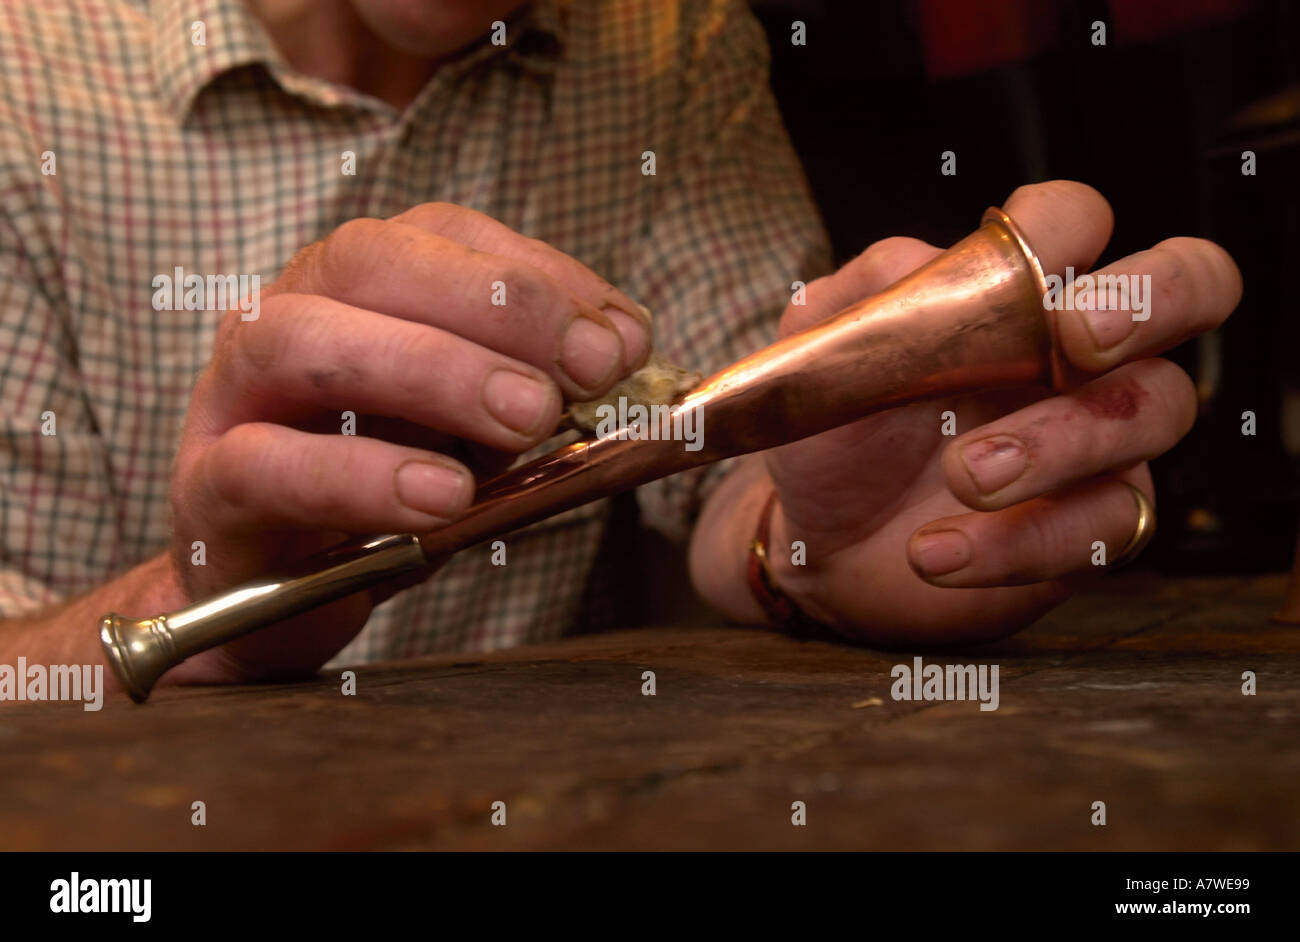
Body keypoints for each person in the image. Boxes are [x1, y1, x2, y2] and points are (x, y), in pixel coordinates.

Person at [0, 0, 1241, 692]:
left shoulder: (674, 43)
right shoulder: (22, 71)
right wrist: (184, 607)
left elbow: (727, 471)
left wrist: (812, 545)